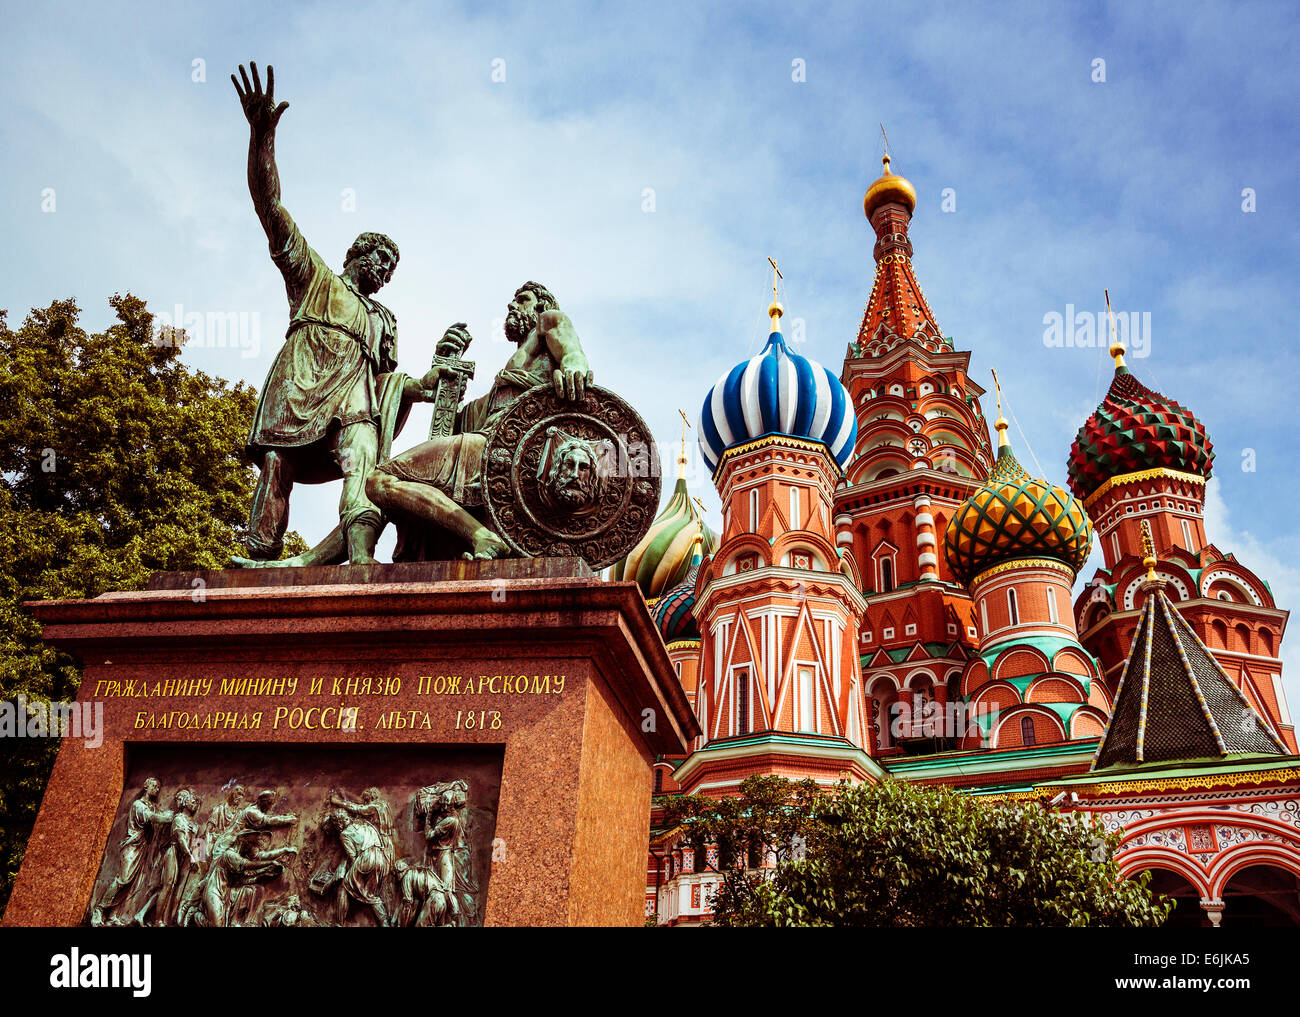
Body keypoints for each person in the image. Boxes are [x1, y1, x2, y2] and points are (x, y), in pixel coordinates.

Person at [232, 62, 433, 564]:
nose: (384, 272)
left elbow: (389, 385)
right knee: (277, 468)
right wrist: (262, 138)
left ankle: (361, 558)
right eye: (378, 260)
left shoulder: (383, 319)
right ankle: (260, 560)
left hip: (353, 404)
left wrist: (428, 383)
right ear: (353, 256)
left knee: (364, 460)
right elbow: (269, 206)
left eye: (391, 268)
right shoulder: (314, 279)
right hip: (298, 389)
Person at [366, 282, 593, 560]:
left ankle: (479, 535)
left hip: (501, 447)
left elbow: (572, 351)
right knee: (379, 483)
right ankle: (479, 534)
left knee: (379, 480)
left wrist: (574, 367)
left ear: (541, 306)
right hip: (488, 443)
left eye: (522, 299)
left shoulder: (549, 320)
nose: (512, 305)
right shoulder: (514, 372)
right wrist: (447, 370)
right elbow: (464, 421)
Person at [90, 778, 162, 926]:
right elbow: (150, 817)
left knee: (131, 883)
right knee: (123, 879)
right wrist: (167, 817)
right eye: (154, 786)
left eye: (158, 787)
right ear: (146, 786)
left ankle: (112, 914)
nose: (157, 789)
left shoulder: (152, 806)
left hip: (143, 847)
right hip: (132, 845)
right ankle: (99, 909)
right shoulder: (138, 804)